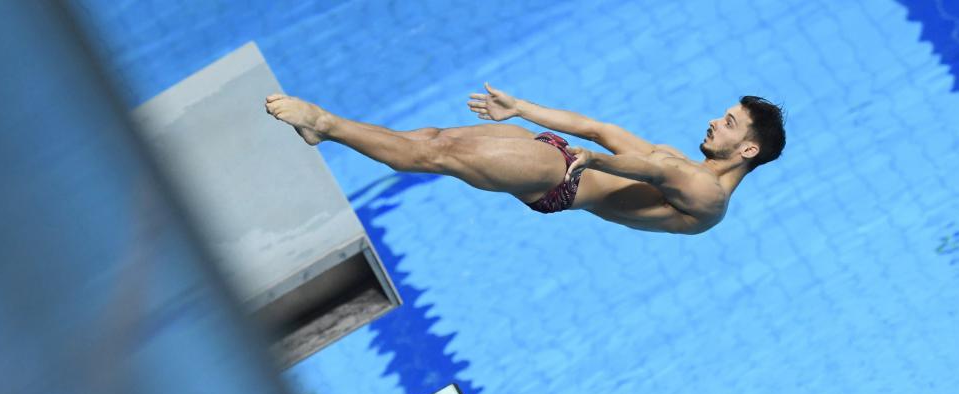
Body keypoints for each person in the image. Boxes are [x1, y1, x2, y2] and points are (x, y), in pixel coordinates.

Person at [265, 84, 784, 234]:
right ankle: (326, 133)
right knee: (433, 135)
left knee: (437, 154)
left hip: (564, 180)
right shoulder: (684, 160)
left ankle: (324, 122)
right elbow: (600, 129)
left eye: (730, 123)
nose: (716, 121)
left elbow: (652, 170)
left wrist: (598, 163)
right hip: (562, 159)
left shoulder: (710, 198)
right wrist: (521, 107)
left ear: (748, 150)